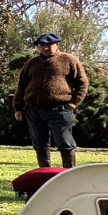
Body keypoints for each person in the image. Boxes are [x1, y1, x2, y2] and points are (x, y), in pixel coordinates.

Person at [13, 33, 89, 169]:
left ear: (57, 45)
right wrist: (18, 107)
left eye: (49, 45)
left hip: (59, 108)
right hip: (33, 110)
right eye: (42, 45)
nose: (45, 48)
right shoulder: (32, 63)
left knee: (65, 142)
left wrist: (73, 102)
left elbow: (82, 82)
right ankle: (45, 174)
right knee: (39, 144)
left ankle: (68, 173)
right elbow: (21, 85)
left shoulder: (68, 60)